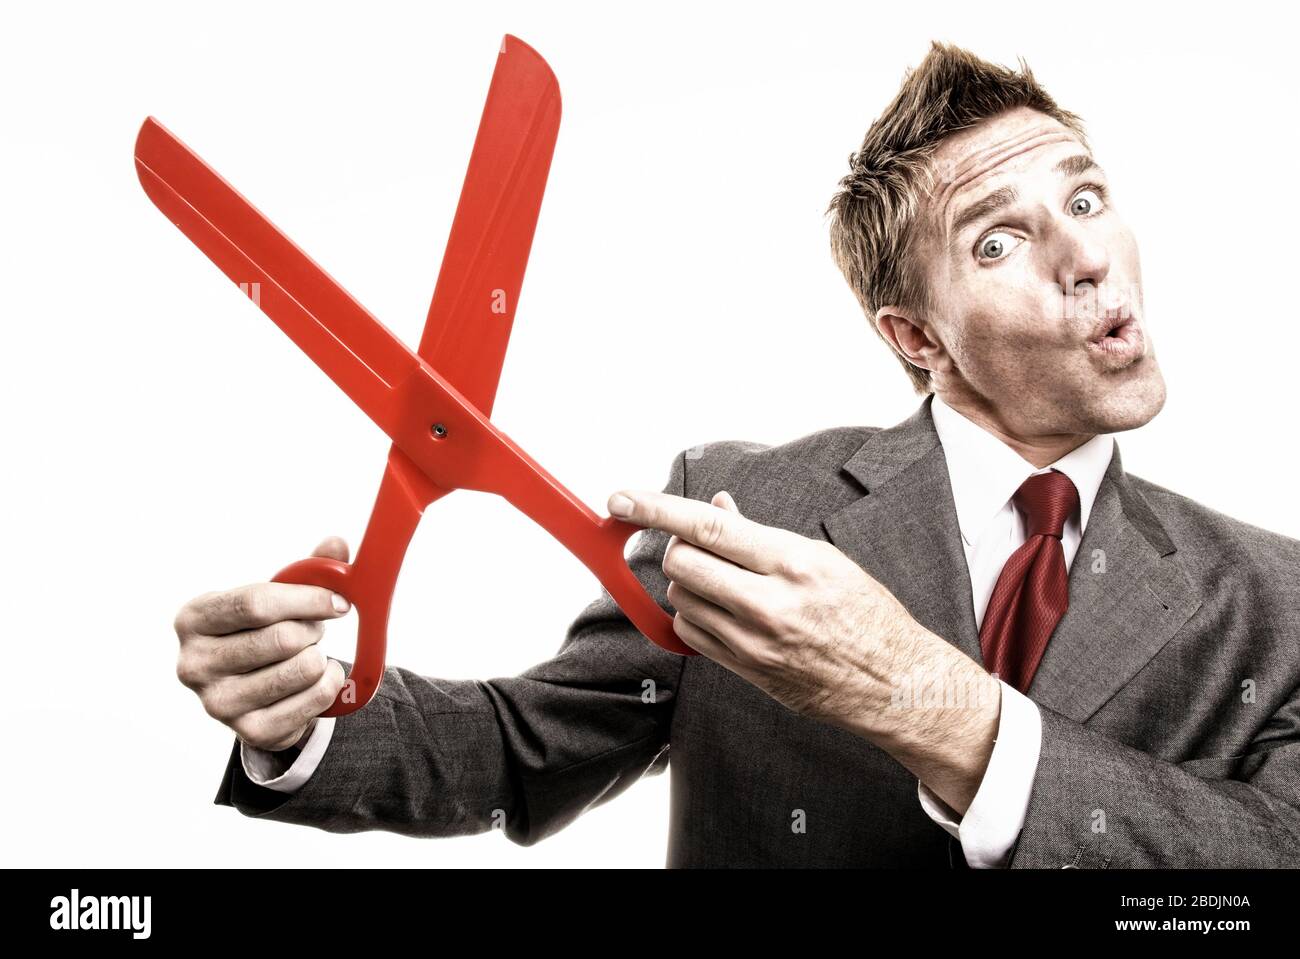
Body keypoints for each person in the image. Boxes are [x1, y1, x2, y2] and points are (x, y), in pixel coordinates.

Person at [173, 41, 1300, 867]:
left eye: (1087, 197)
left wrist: (930, 702)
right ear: (915, 338)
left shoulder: (1277, 601)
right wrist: (305, 720)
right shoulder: (746, 505)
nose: (1085, 256)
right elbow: (525, 747)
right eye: (999, 237)